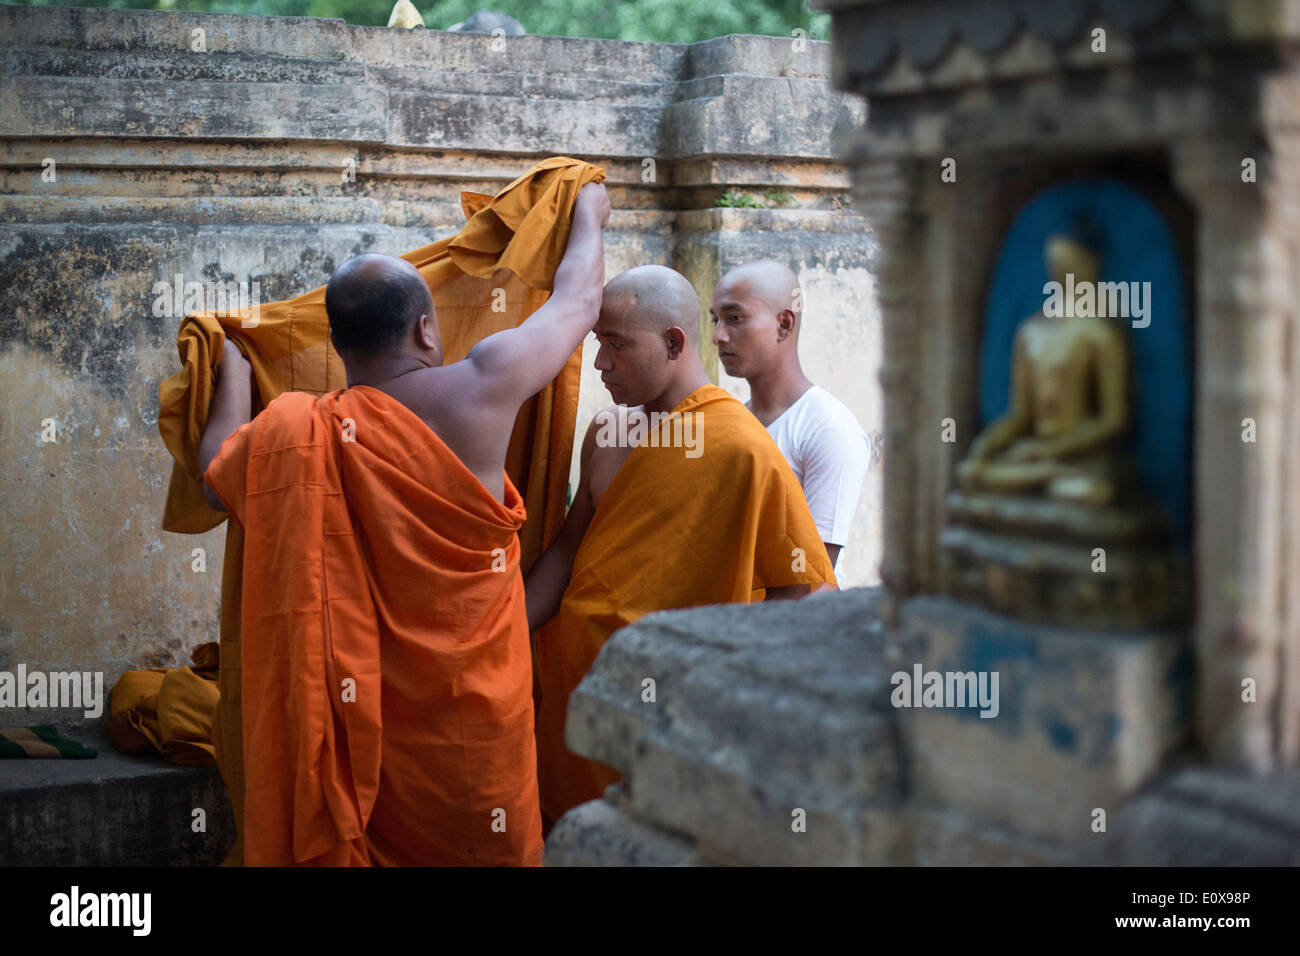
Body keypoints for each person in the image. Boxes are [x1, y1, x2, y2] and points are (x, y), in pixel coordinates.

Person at [198, 182, 610, 866]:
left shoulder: (294, 430)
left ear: (337, 343)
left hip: (362, 729)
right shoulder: (482, 385)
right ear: (425, 329)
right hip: (470, 728)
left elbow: (217, 475)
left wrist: (236, 364)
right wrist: (587, 213)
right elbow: (578, 303)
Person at [525, 264, 837, 824]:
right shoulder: (607, 433)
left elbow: (802, 590)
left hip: (670, 721)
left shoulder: (742, 450)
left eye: (615, 345)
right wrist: (496, 631)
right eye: (599, 344)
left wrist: (717, 694)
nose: (600, 364)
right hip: (578, 704)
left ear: (673, 342)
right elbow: (569, 553)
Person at [710, 261, 869, 571]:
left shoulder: (829, 429)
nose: (718, 336)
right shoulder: (732, 421)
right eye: (715, 320)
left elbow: (812, 576)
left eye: (734, 318)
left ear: (784, 323)